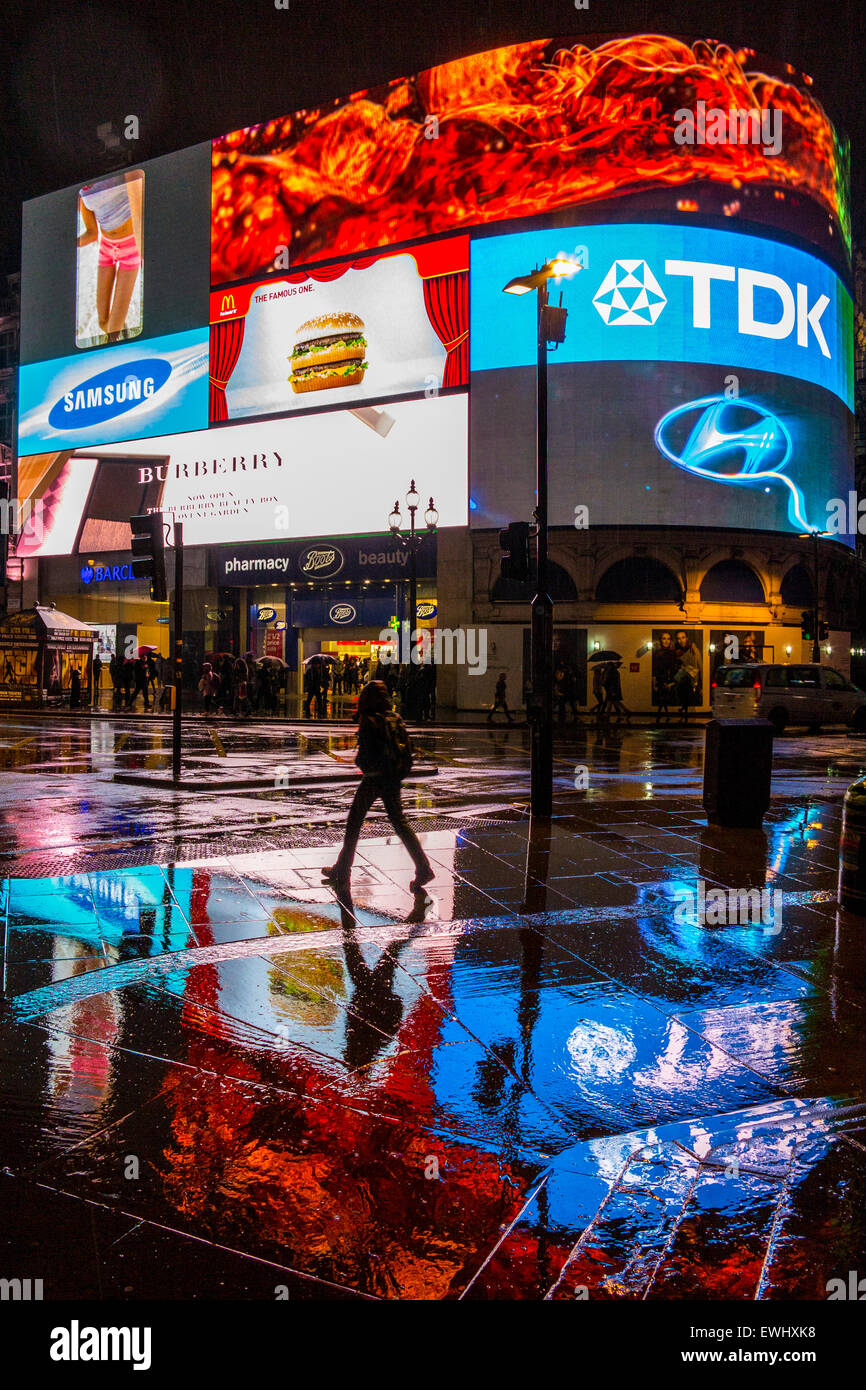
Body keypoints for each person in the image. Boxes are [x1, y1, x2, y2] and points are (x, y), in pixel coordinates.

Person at [323, 681, 434, 892]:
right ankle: (423, 868)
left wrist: (360, 764)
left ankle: (342, 870)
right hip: (393, 776)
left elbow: (364, 756)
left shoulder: (369, 719)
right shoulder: (394, 717)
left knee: (354, 821)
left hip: (374, 778)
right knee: (399, 821)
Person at [77, 170, 143, 343]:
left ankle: (121, 337)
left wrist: (145, 254)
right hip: (106, 248)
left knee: (112, 332)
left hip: (131, 249)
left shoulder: (119, 172)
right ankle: (124, 332)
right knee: (102, 323)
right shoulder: (82, 190)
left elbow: (139, 215)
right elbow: (91, 233)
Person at [653, 632, 678, 723]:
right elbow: (655, 669)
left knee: (663, 699)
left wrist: (672, 682)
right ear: (660, 640)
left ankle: (661, 716)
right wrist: (654, 682)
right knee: (662, 699)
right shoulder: (658, 653)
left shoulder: (672, 653)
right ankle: (663, 715)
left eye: (668, 639)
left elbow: (674, 668)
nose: (666, 641)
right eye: (664, 638)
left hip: (669, 680)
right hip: (661, 679)